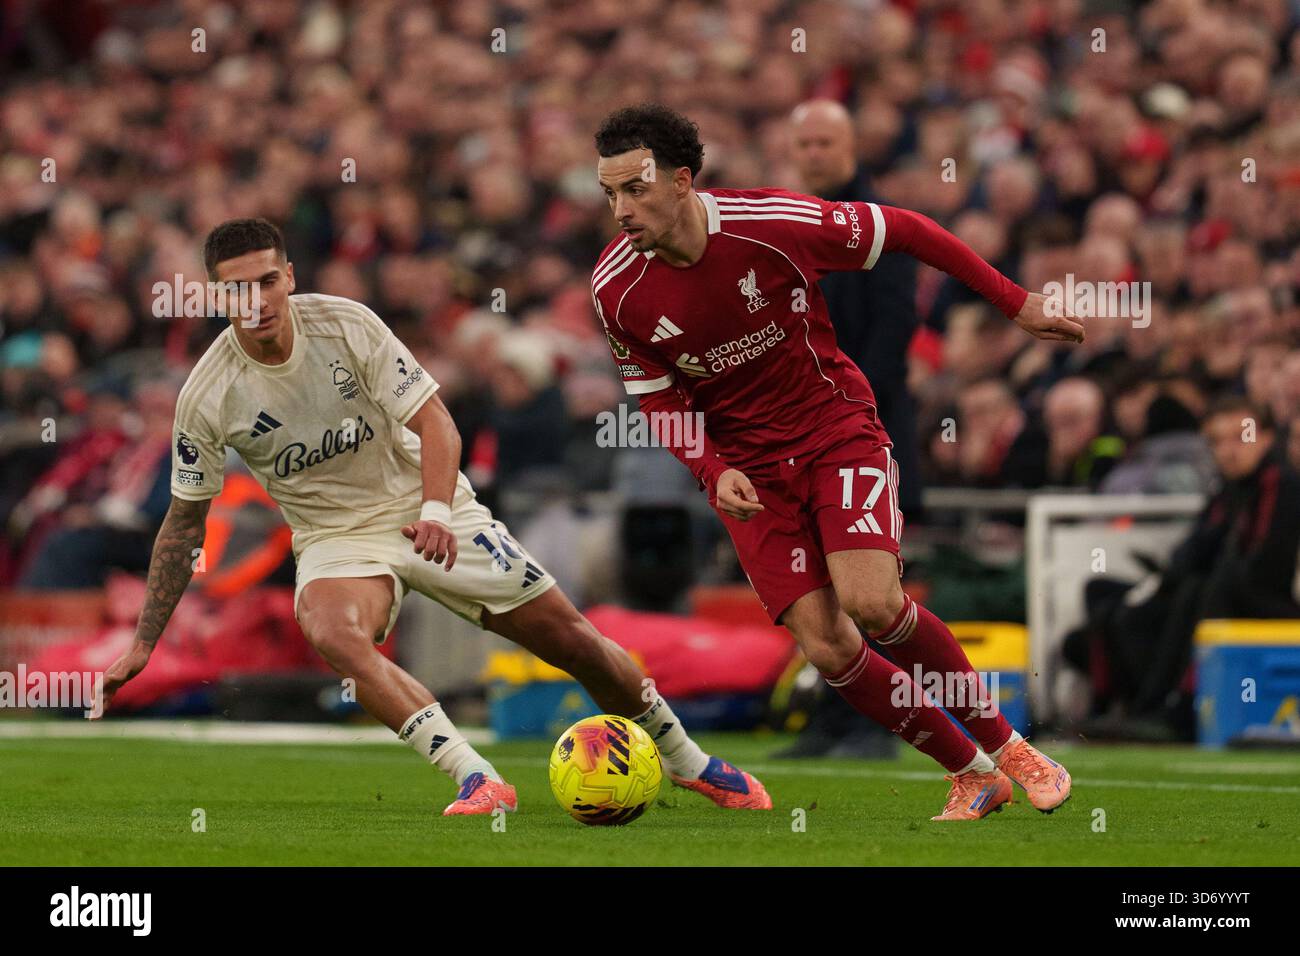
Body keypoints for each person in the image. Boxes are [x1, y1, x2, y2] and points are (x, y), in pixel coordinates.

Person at [98, 218, 770, 816]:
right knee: (330, 628)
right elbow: (184, 523)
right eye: (239, 289)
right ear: (219, 298)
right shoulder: (208, 394)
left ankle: (691, 763)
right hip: (336, 536)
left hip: (426, 498)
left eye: (269, 281)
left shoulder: (347, 324)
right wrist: (144, 642)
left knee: (574, 643)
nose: (259, 300)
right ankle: (475, 778)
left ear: (289, 276)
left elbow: (435, 421)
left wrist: (437, 510)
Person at [591, 104, 1080, 821]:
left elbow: (907, 230)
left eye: (634, 190)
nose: (620, 210)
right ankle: (971, 774)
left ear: (683, 181)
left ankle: (1011, 748)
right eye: (609, 195)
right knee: (825, 646)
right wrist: (711, 469)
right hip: (751, 474)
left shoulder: (773, 224)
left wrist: (1014, 303)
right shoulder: (614, 291)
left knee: (874, 603)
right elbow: (660, 399)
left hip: (833, 429)